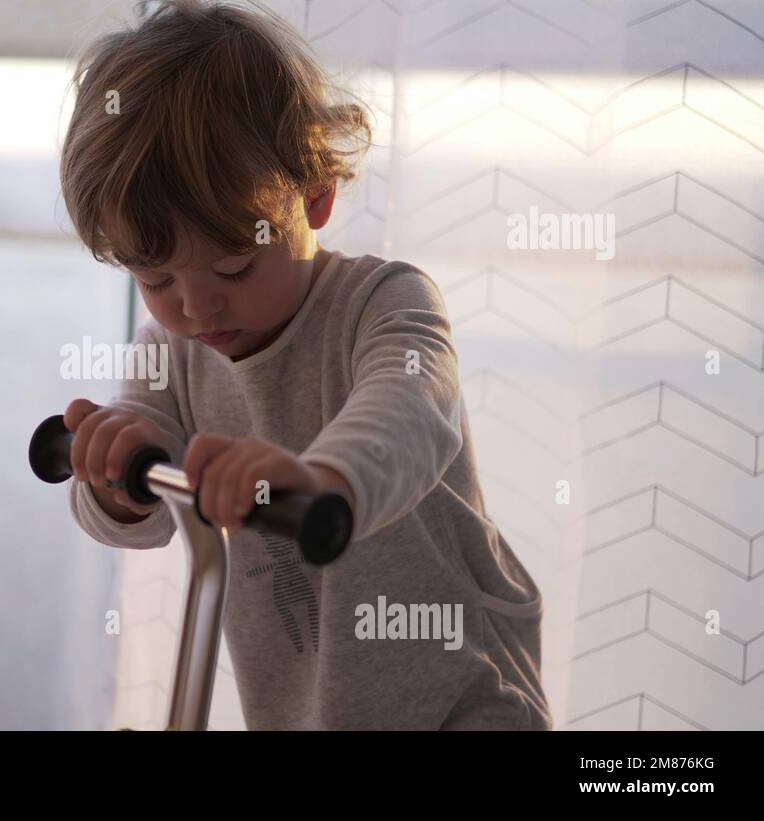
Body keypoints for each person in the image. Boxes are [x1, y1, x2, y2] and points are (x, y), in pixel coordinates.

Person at [57, 0, 550, 729]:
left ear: (315, 195)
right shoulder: (171, 352)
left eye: (234, 266)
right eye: (155, 280)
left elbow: (410, 412)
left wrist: (323, 480)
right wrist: (114, 470)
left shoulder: (382, 303)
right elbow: (138, 512)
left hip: (463, 704)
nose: (197, 308)